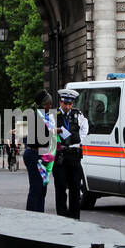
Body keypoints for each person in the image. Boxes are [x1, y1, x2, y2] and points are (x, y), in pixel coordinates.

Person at [52, 89, 89, 219]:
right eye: (65, 104)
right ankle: (62, 216)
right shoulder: (53, 115)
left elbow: (85, 126)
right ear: (60, 102)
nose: (67, 107)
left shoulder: (77, 114)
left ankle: (75, 217)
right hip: (60, 156)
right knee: (61, 187)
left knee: (75, 187)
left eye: (70, 104)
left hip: (74, 155)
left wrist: (79, 140)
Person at [23, 90, 54, 212]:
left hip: (42, 154)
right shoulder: (36, 117)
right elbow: (41, 138)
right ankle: (31, 215)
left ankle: (40, 214)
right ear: (42, 105)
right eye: (48, 104)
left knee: (42, 188)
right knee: (36, 188)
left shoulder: (45, 116)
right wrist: (54, 131)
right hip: (34, 154)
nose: (50, 106)